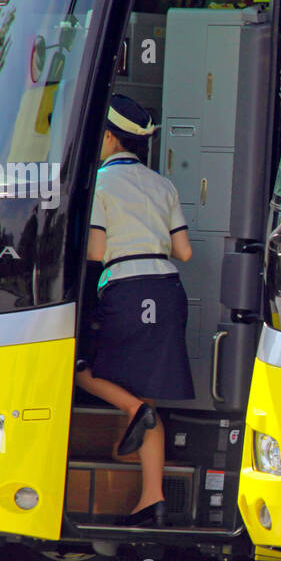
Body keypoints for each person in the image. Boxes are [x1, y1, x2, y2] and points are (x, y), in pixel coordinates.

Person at [75, 94, 195, 526]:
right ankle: (152, 498)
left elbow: (97, 251)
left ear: (108, 137)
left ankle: (131, 411)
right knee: (145, 394)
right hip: (168, 289)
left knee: (81, 368)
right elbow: (184, 250)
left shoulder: (102, 185)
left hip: (126, 288)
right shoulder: (164, 185)